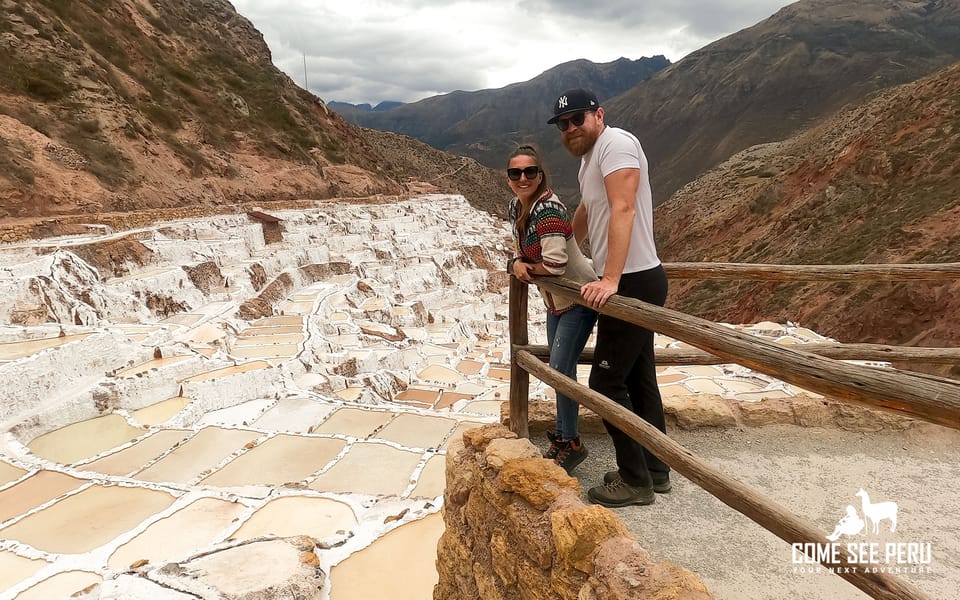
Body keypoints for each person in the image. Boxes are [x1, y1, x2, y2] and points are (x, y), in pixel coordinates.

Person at [547, 88, 671, 507]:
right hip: (634, 278)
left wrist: (611, 279)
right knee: (638, 378)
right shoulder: (590, 159)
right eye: (563, 124)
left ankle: (635, 480)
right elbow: (588, 210)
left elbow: (623, 208)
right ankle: (655, 467)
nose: (570, 128)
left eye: (577, 119)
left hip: (632, 280)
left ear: (598, 115)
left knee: (605, 381)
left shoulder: (616, 144)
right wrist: (563, 248)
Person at [506, 143, 598, 474]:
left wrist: (524, 268)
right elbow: (520, 249)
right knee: (561, 369)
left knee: (560, 369)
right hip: (555, 301)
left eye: (530, 171)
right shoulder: (517, 207)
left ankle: (571, 442)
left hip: (578, 298)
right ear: (508, 178)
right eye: (516, 173)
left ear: (540, 175)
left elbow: (556, 264)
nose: (523, 178)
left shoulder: (548, 211)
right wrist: (518, 261)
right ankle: (563, 435)